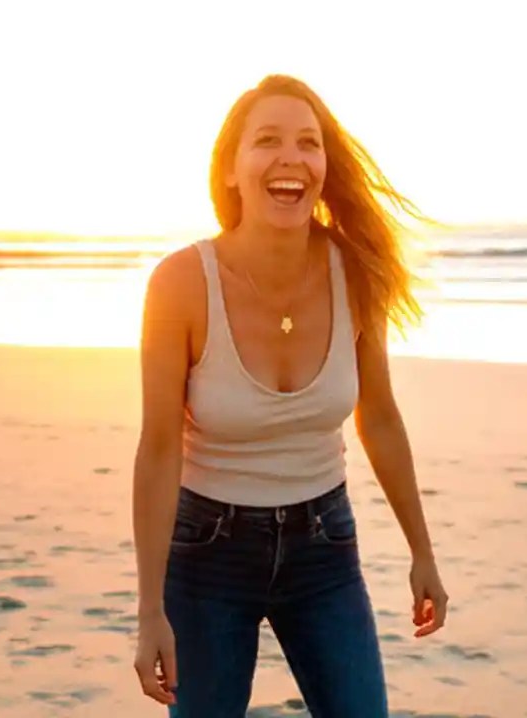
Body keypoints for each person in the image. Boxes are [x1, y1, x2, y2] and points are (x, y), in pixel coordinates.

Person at [131, 73, 448, 717]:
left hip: (323, 547)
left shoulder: (355, 271)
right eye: (267, 140)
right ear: (231, 170)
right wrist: (148, 610)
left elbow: (379, 416)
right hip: (207, 556)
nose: (290, 158)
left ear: (323, 168)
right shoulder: (181, 284)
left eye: (308, 142)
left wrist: (422, 552)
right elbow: (160, 449)